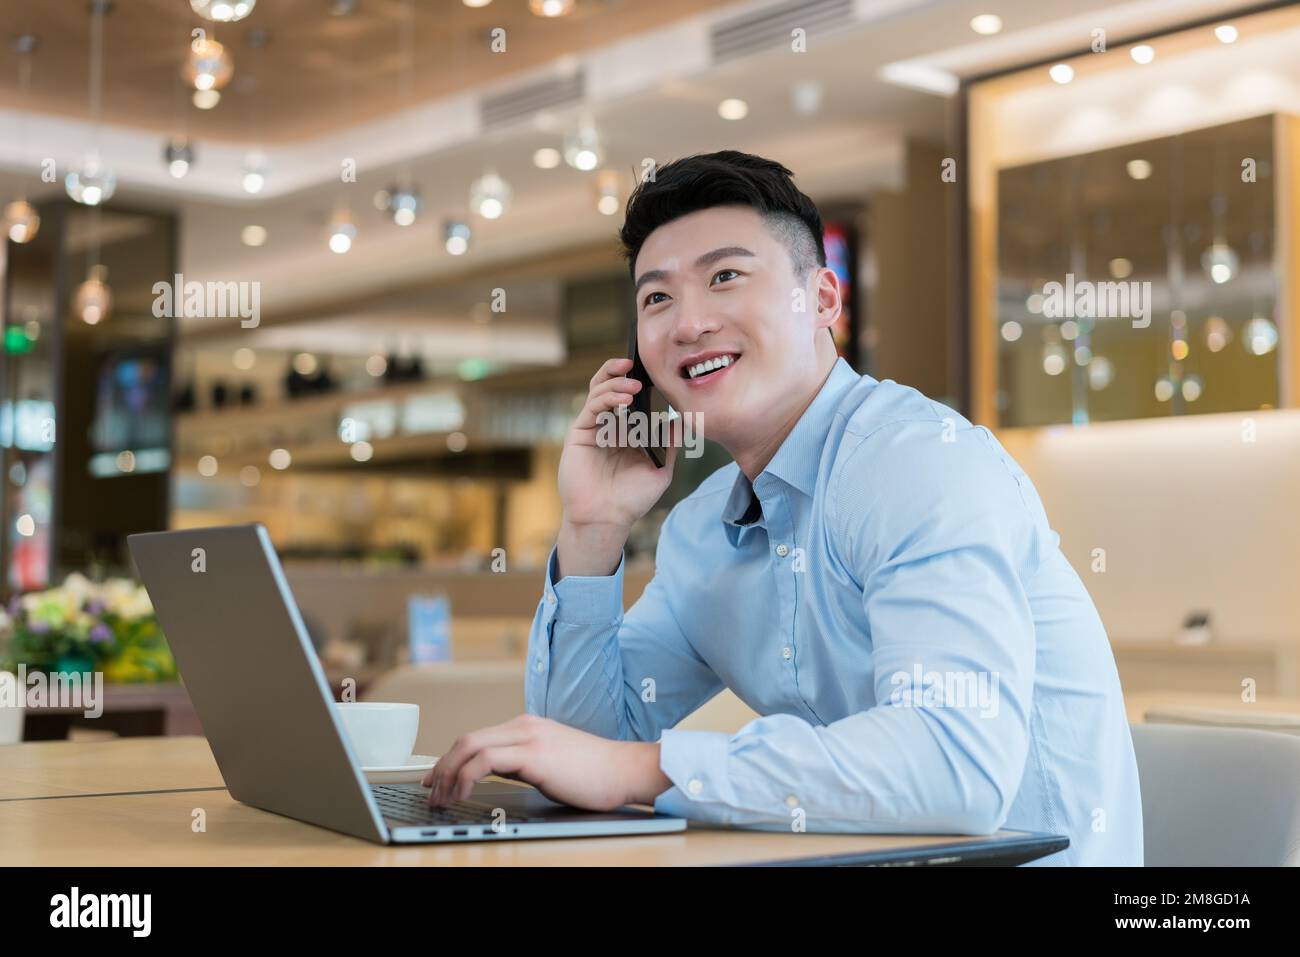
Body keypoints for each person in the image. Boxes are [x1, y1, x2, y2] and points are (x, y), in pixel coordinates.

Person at [424, 150, 1143, 865]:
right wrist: (592, 528)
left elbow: (955, 764)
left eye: (726, 276)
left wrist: (655, 768)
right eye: (657, 298)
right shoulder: (704, 531)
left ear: (824, 300)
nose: (688, 322)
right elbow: (582, 755)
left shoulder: (919, 462)